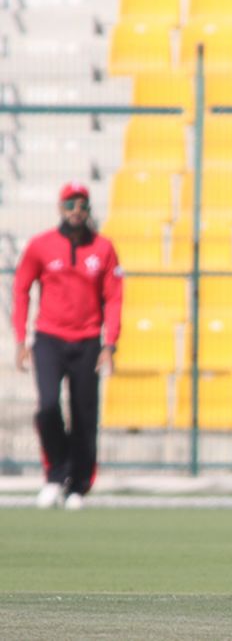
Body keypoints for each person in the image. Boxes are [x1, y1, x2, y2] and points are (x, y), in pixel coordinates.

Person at [12, 182, 123, 511]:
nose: (77, 210)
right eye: (71, 204)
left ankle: (79, 484)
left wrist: (110, 343)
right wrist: (21, 338)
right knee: (47, 407)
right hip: (49, 338)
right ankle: (54, 475)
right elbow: (21, 289)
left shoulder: (103, 248)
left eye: (83, 204)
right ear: (60, 208)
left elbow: (114, 297)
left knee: (85, 415)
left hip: (88, 340)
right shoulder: (40, 246)